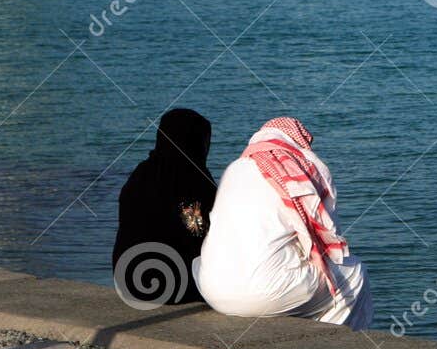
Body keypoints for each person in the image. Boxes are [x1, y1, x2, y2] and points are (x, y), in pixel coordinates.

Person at [194, 116, 372, 328]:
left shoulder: (235, 167)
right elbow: (329, 237)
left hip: (212, 291)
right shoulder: (305, 168)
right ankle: (327, 345)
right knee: (354, 273)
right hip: (263, 293)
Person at [111, 108, 216, 305]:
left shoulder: (141, 173)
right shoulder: (191, 178)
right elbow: (196, 230)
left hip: (128, 280)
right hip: (171, 285)